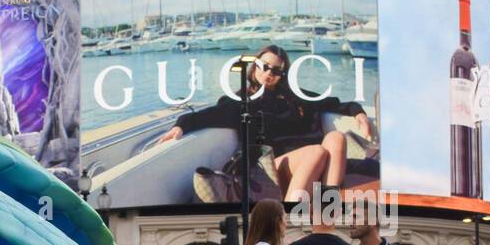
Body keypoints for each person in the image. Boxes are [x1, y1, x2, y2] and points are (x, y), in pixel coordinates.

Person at [158, 45, 372, 202]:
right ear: (255, 66)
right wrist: (181, 125)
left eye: (276, 70)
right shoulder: (241, 100)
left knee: (335, 137)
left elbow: (335, 103)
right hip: (269, 170)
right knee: (316, 151)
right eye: (265, 66)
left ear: (282, 75)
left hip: (309, 166)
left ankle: (329, 202)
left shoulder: (295, 97)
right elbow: (208, 114)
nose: (269, 73)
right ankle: (288, 214)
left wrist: (358, 112)